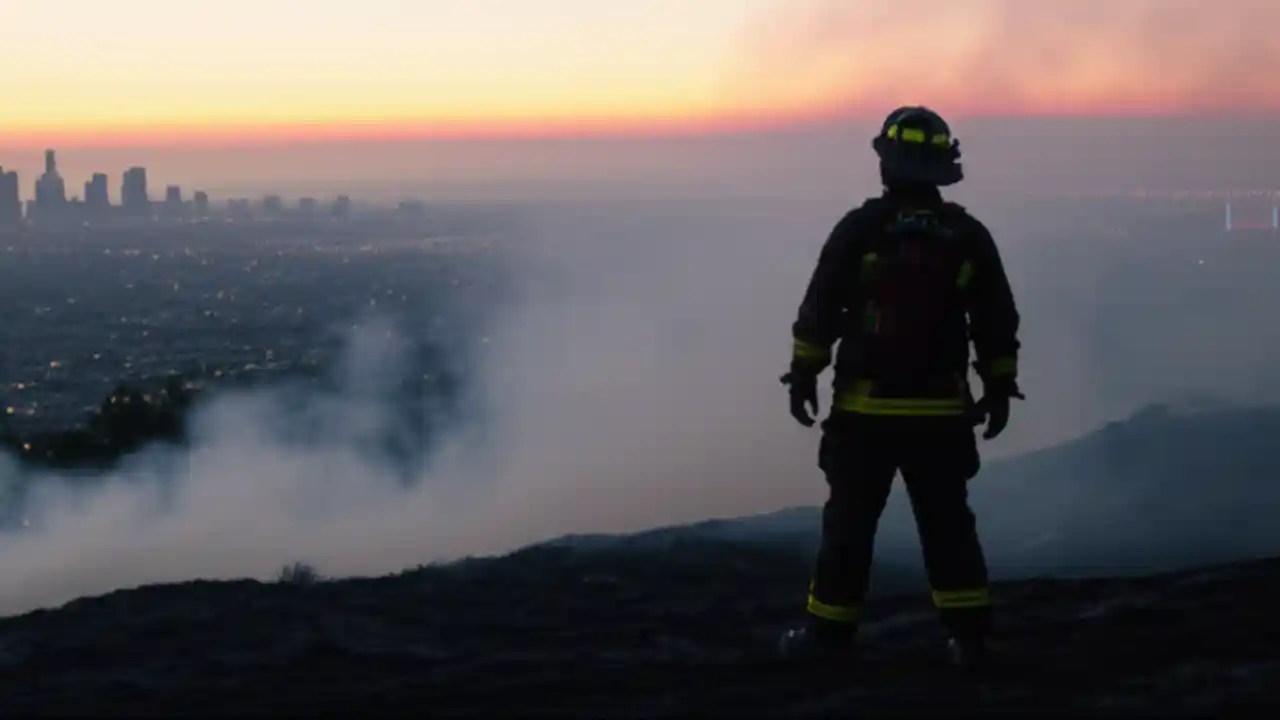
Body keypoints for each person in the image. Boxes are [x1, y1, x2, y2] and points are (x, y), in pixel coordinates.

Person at [778, 107, 1022, 668]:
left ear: (886, 164)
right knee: (948, 528)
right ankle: (970, 642)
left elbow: (820, 309)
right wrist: (1000, 386)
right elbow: (995, 320)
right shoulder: (967, 236)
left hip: (864, 415)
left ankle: (829, 641)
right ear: (942, 166)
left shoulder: (860, 230)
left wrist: (803, 374)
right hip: (940, 416)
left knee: (849, 529)